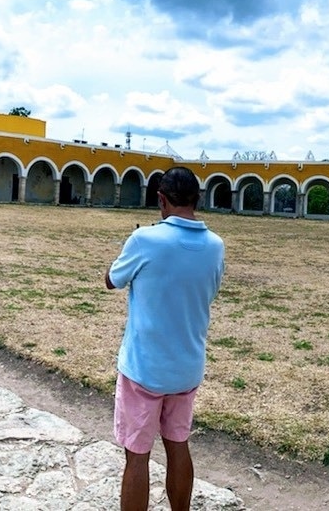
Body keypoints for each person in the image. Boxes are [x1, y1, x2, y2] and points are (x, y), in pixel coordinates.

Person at [104, 167, 224, 511]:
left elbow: (112, 280)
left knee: (137, 456)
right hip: (187, 367)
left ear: (161, 199)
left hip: (144, 369)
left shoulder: (145, 240)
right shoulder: (215, 246)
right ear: (197, 199)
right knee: (178, 444)